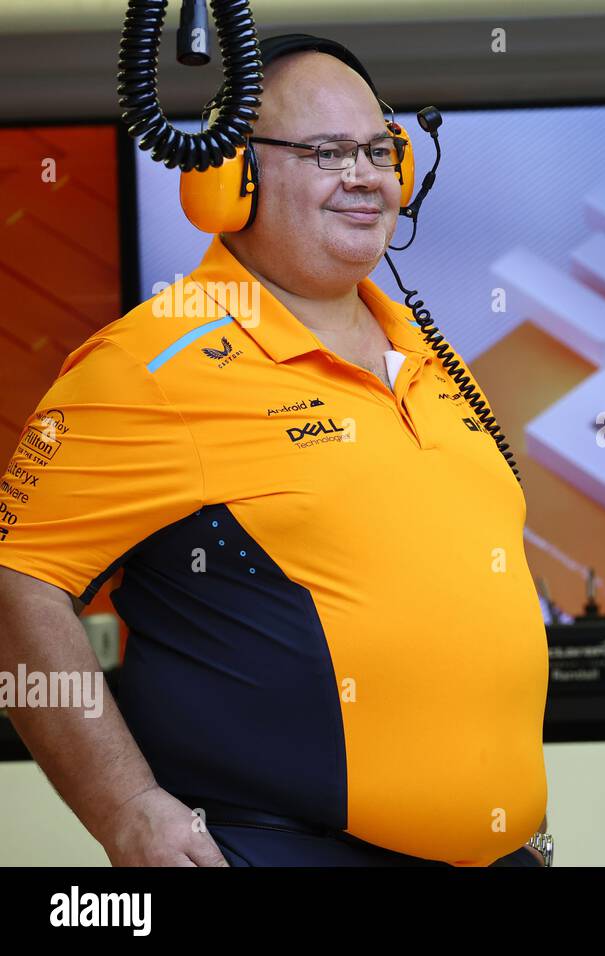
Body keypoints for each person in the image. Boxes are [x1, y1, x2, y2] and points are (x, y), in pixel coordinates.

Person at [0, 35, 549, 867]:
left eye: (380, 148)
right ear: (231, 179)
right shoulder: (147, 366)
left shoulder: (431, 358)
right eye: (328, 152)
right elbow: (17, 581)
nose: (366, 175)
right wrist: (126, 808)